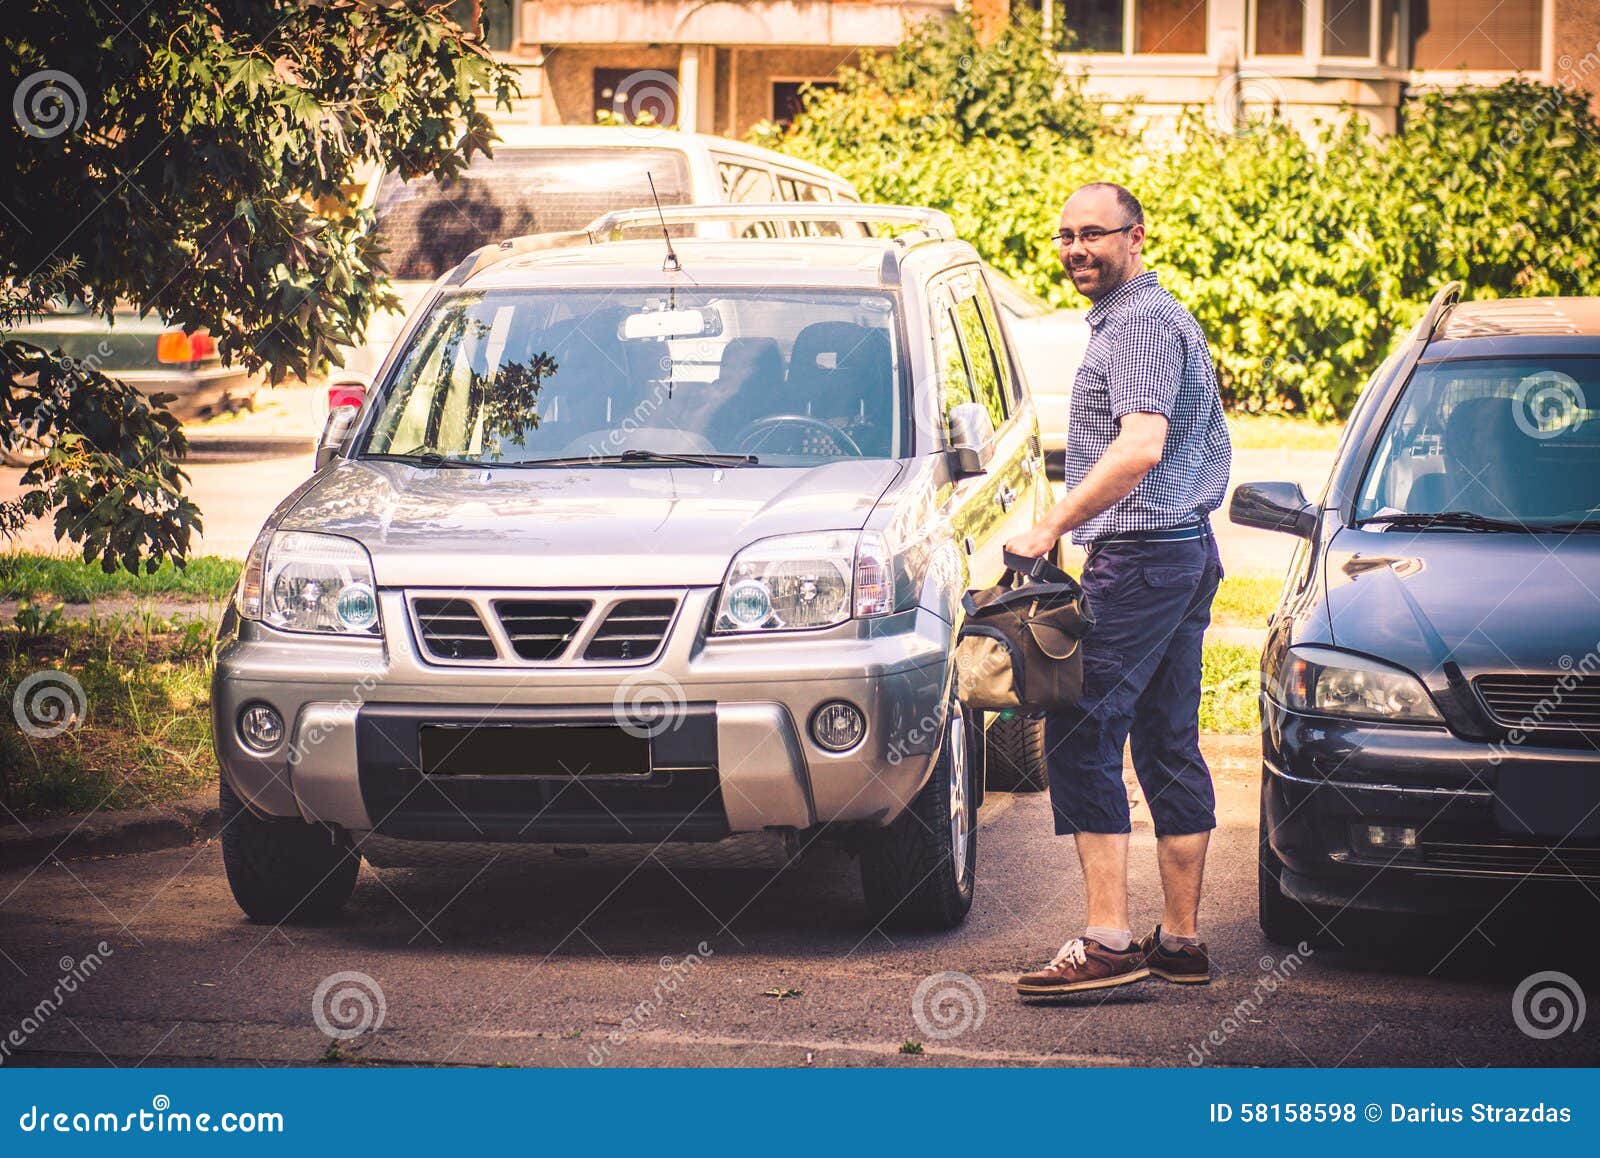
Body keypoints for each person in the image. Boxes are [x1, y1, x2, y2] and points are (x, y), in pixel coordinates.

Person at [1004, 182, 1232, 996]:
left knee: (1078, 734)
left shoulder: (1137, 322)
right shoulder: (1162, 315)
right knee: (1167, 741)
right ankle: (1180, 943)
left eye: (1093, 234)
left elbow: (1140, 447)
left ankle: (1106, 940)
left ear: (1136, 236)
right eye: (1064, 235)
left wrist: (1048, 527)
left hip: (1140, 558)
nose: (1076, 250)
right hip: (1180, 552)